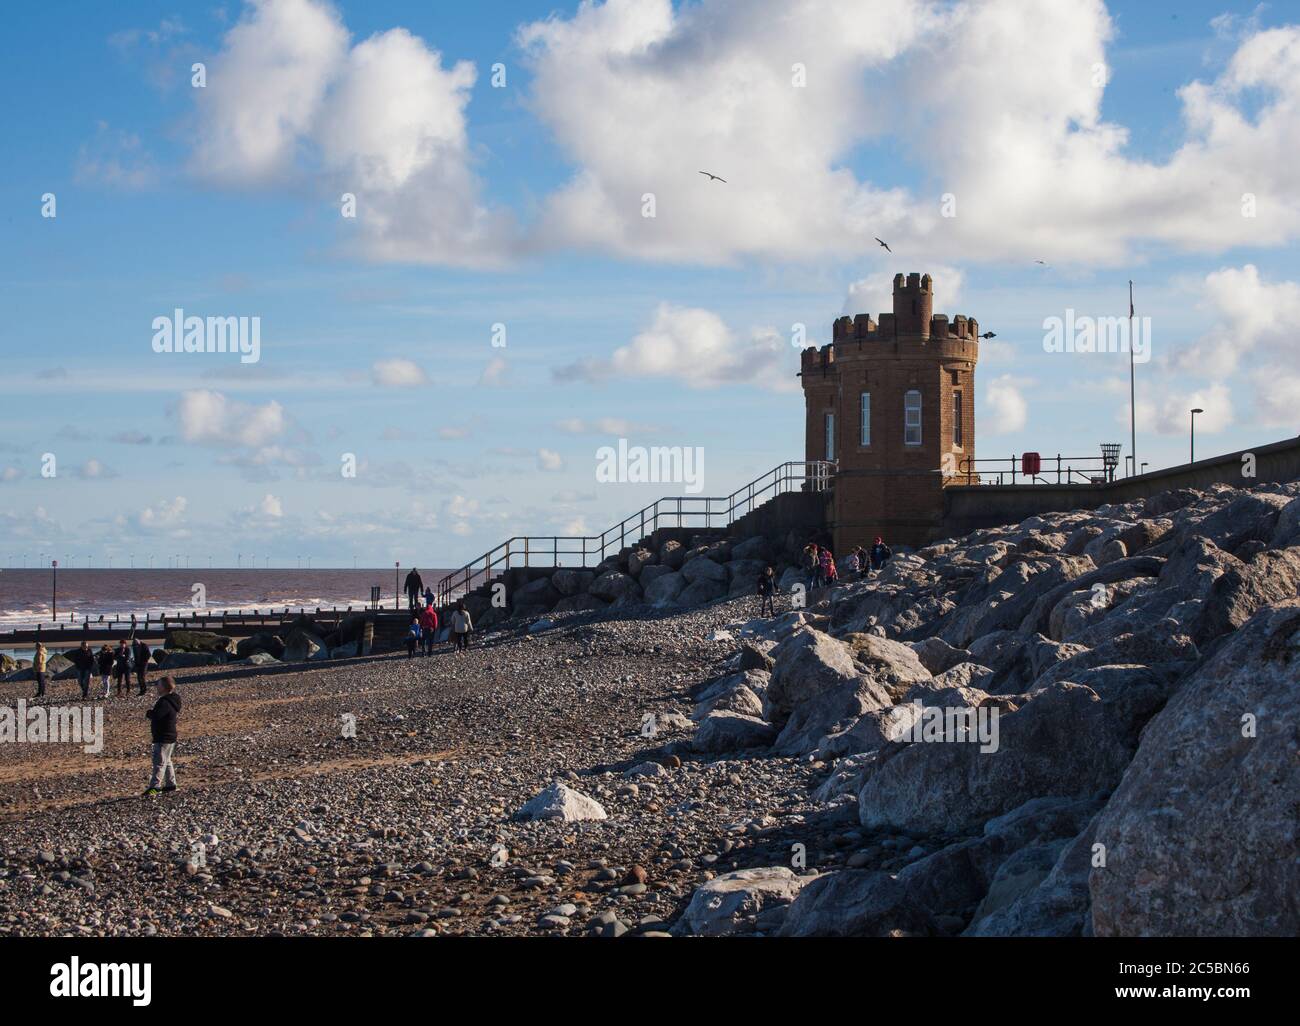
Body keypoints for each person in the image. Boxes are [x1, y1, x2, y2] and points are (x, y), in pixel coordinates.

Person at [143, 676, 181, 796]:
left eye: (158, 685)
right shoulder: (173, 700)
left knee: (159, 762)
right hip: (170, 735)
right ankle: (171, 784)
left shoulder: (164, 702)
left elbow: (157, 716)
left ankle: (155, 787)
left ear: (164, 687)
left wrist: (149, 713)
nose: (157, 687)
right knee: (167, 760)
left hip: (163, 736)